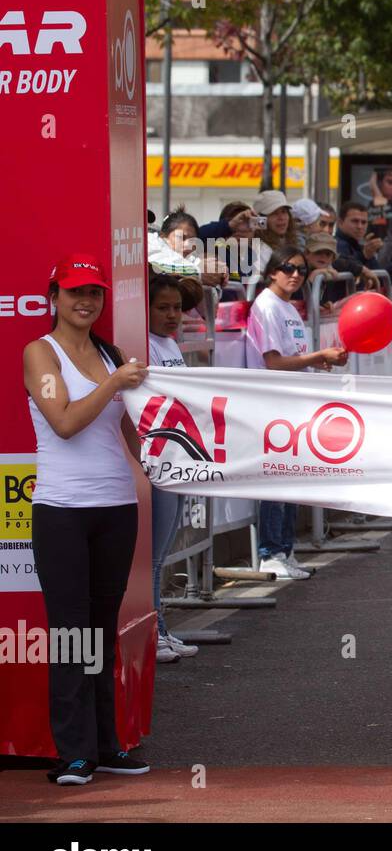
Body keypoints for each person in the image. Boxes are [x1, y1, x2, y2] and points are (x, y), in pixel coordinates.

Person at [23, 254, 152, 785]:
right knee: (71, 632)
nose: (85, 301)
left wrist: (183, 468)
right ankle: (72, 753)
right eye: (75, 291)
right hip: (62, 512)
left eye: (94, 293)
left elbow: (132, 435)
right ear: (53, 296)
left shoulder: (111, 352)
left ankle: (105, 744)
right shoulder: (40, 353)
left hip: (116, 508)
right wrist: (115, 381)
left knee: (101, 632)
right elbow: (67, 422)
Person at [245, 245, 349, 580]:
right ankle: (270, 553)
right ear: (272, 271)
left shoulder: (288, 307)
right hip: (271, 403)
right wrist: (317, 355)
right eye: (288, 268)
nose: (295, 275)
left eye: (301, 271)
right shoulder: (266, 306)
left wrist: (318, 360)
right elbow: (272, 362)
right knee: (277, 479)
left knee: (290, 478)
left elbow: (291, 358)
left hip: (291, 403)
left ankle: (285, 549)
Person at [146, 274, 203, 664]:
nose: (171, 315)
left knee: (161, 553)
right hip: (155, 459)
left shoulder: (169, 343)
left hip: (175, 459)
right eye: (162, 308)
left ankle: (160, 628)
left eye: (177, 308)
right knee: (152, 556)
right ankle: (155, 633)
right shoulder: (142, 343)